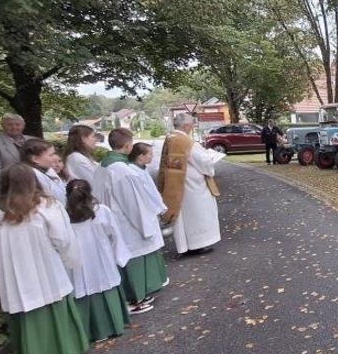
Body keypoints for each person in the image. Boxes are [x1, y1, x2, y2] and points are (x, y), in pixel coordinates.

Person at [0, 163, 89, 354]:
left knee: (25, 305)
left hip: (15, 273)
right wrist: (68, 260)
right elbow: (62, 238)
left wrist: (2, 264)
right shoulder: (46, 206)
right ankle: (65, 350)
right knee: (53, 297)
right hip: (45, 265)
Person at [95, 127, 166, 311]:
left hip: (111, 220)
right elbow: (132, 203)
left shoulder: (103, 166)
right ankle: (134, 299)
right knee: (132, 260)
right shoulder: (121, 170)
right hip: (126, 224)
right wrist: (146, 226)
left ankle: (135, 298)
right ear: (128, 145)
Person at [65, 179, 133, 339]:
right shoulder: (101, 211)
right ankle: (114, 324)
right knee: (105, 283)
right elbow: (114, 234)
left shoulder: (65, 216)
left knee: (83, 288)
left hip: (77, 264)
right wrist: (120, 257)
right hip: (101, 259)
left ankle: (91, 332)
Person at [158, 113, 221, 257]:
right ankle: (197, 244)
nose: (193, 126)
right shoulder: (187, 143)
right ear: (186, 126)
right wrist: (211, 158)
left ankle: (186, 246)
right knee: (198, 215)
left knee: (184, 218)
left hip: (176, 185)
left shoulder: (170, 139)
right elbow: (204, 162)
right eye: (192, 124)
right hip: (192, 187)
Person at [0, 113, 30, 201]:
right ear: (2, 126)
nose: (14, 128)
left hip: (32, 191)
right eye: (10, 125)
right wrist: (19, 181)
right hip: (5, 192)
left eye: (17, 124)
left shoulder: (32, 140)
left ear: (23, 125)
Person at [21, 138, 67, 204]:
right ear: (36, 159)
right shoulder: (33, 176)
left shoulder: (48, 170)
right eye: (51, 155)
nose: (55, 158)